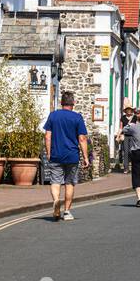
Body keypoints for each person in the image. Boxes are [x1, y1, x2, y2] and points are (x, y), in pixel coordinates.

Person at [43, 92, 89, 222]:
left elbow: (47, 136)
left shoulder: (53, 116)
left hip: (56, 155)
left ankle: (56, 200)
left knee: (55, 181)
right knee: (69, 183)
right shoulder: (77, 117)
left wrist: (48, 152)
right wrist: (85, 157)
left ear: (61, 103)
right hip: (72, 156)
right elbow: (82, 138)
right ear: (73, 103)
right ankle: (67, 212)